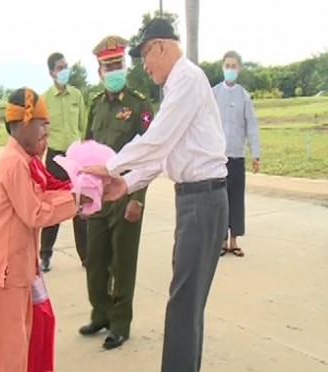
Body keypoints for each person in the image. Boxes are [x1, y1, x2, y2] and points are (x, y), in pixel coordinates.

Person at [81, 18, 229, 372]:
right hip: (196, 199)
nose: (144, 66)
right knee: (187, 303)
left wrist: (113, 167)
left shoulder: (187, 80)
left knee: (183, 303)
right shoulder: (179, 83)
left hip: (202, 200)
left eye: (146, 55)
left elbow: (157, 139)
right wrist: (127, 183)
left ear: (161, 46)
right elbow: (165, 153)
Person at [0, 87, 86, 372]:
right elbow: (36, 212)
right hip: (6, 272)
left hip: (20, 268)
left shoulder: (29, 161)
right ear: (22, 125)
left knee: (27, 343)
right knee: (11, 354)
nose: (46, 130)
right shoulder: (14, 164)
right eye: (41, 124)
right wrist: (76, 201)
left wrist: (81, 189)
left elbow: (49, 193)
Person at [78, 35, 155, 350]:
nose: (114, 70)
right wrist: (82, 193)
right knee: (96, 261)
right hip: (97, 198)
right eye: (108, 66)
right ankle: (101, 314)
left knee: (123, 263)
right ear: (99, 72)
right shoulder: (95, 104)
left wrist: (138, 199)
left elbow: (150, 155)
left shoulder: (139, 104)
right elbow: (84, 153)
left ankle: (120, 324)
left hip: (126, 194)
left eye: (118, 64)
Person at [38, 52, 88, 272]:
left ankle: (86, 256)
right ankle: (46, 255)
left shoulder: (77, 95)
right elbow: (40, 134)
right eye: (60, 67)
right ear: (51, 73)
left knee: (81, 207)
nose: (64, 70)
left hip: (75, 157)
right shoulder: (44, 100)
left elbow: (83, 126)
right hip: (55, 158)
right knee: (54, 208)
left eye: (66, 66)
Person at [211, 50, 261, 257]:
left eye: (234, 66)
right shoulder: (214, 93)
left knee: (236, 199)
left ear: (239, 69)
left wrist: (255, 154)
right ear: (222, 68)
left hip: (237, 156)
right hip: (218, 158)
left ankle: (234, 240)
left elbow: (252, 126)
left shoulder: (243, 95)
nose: (230, 70)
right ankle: (222, 241)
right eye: (227, 66)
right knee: (220, 200)